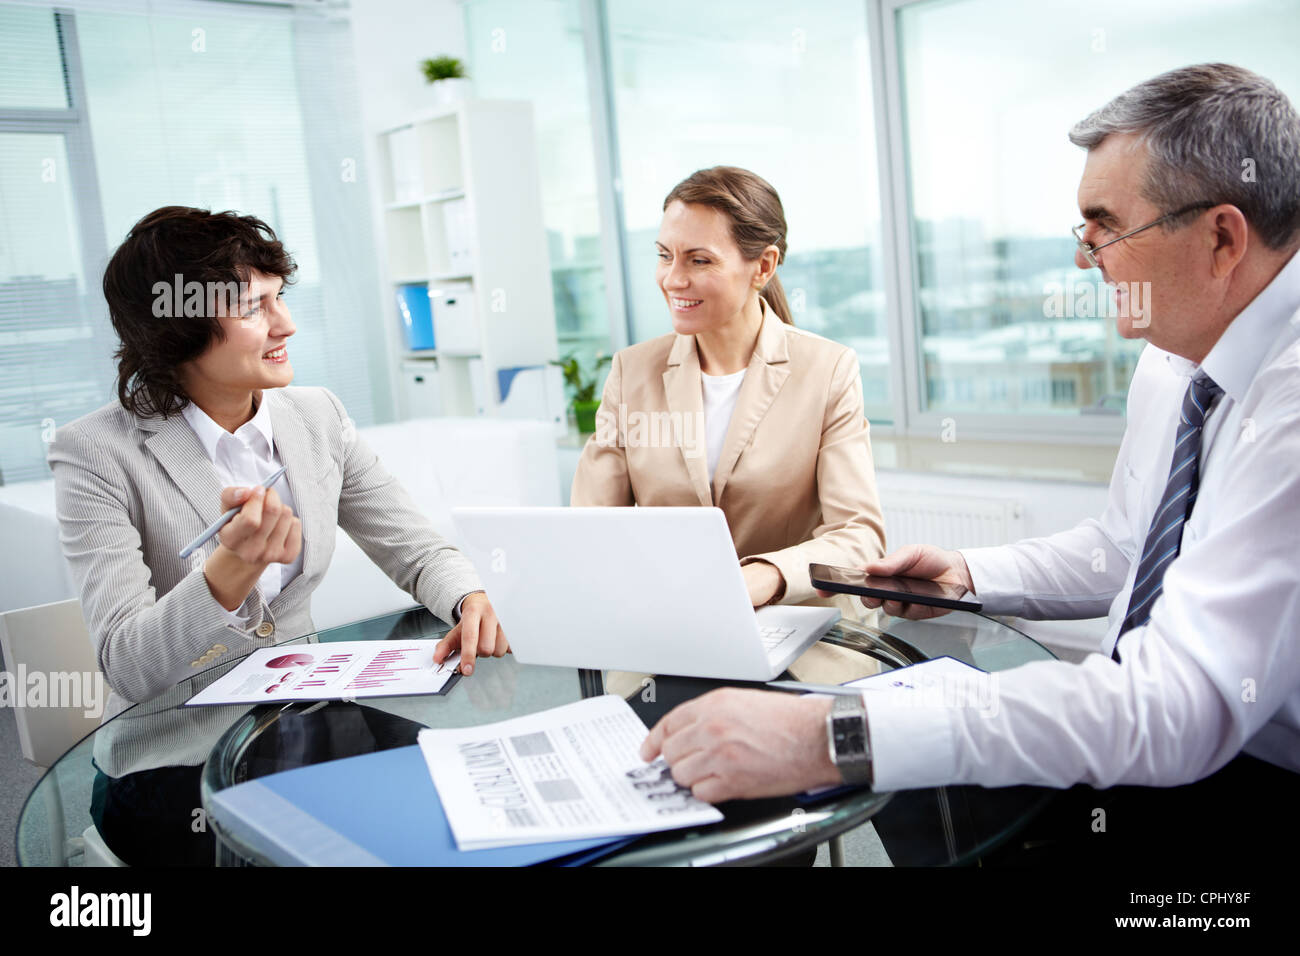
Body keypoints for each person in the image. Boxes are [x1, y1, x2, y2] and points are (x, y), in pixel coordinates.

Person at [640, 64, 1300, 865]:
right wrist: (965, 572)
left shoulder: (1287, 403)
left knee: (902, 759)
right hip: (1164, 737)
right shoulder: (1171, 359)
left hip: (1249, 769)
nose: (1087, 260)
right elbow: (1127, 548)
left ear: (1222, 238)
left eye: (1106, 226)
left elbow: (1181, 707)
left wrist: (832, 735)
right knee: (928, 795)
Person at [48, 206, 506, 865]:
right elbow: (130, 664)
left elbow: (417, 550)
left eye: (280, 297)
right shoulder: (95, 454)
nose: (286, 324)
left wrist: (469, 597)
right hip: (174, 760)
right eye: (255, 305)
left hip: (312, 722)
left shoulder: (317, 416)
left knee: (468, 803)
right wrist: (227, 572)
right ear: (179, 325)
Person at [571, 167, 887, 676]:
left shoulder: (827, 370)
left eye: (699, 260)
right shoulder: (632, 372)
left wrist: (762, 578)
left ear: (762, 266)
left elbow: (858, 536)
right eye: (664, 255)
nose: (673, 278)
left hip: (800, 646)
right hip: (665, 643)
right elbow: (591, 526)